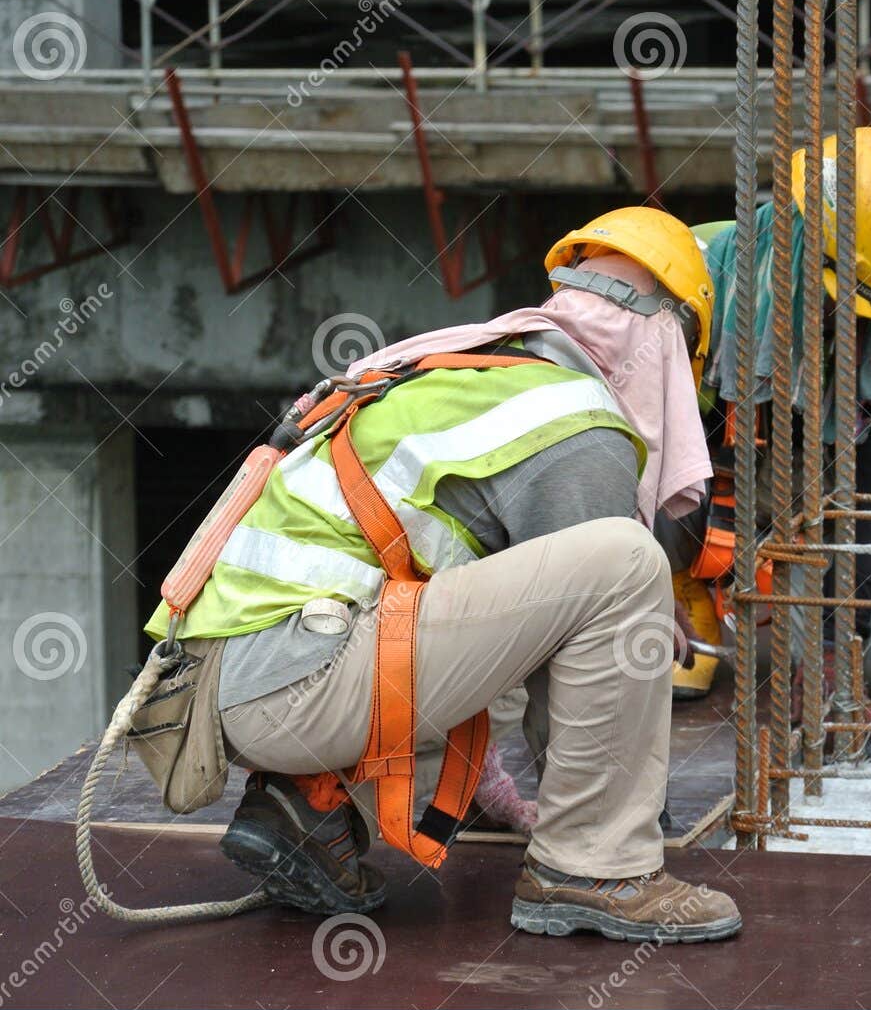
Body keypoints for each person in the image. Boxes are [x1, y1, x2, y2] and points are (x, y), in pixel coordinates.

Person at [142, 207, 741, 944]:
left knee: (539, 583)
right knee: (626, 562)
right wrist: (621, 811)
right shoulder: (578, 420)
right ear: (668, 341)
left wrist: (486, 785)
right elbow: (576, 659)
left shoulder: (468, 371)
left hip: (236, 682)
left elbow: (502, 615)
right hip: (297, 682)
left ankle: (312, 809)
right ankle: (595, 868)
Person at [665, 127, 871, 706]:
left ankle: (808, 616)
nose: (861, 324)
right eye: (844, 296)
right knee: (647, 470)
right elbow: (643, 447)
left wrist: (838, 633)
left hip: (814, 505)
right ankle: (685, 594)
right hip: (709, 488)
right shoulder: (698, 282)